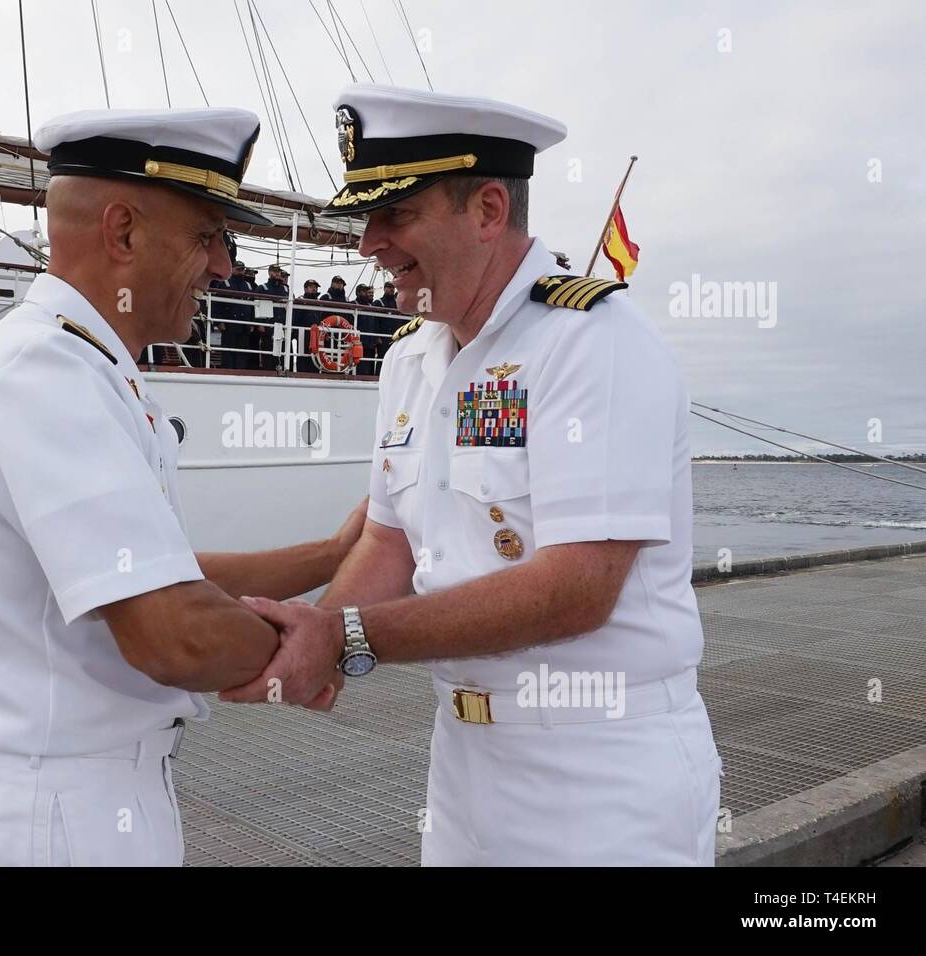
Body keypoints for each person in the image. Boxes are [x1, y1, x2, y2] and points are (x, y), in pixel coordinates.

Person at [222, 84, 721, 867]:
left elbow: (577, 586)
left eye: (395, 215)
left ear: (489, 210)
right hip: (462, 765)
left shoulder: (593, 345)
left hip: (602, 772)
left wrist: (346, 637)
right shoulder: (410, 359)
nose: (368, 245)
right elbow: (389, 540)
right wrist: (316, 643)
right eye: (367, 219)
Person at [0, 106, 361, 868]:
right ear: (121, 233)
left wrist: (334, 554)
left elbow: (161, 576)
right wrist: (318, 643)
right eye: (208, 236)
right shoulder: (46, 375)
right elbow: (172, 630)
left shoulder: (81, 367)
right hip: (56, 813)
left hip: (67, 802)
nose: (225, 267)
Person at [292, 278, 323, 372]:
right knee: (303, 357)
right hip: (303, 333)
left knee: (315, 357)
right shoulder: (300, 300)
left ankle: (315, 372)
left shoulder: (319, 303)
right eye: (311, 287)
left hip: (316, 334)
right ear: (305, 288)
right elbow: (295, 318)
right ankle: (302, 372)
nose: (314, 289)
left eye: (315, 287)